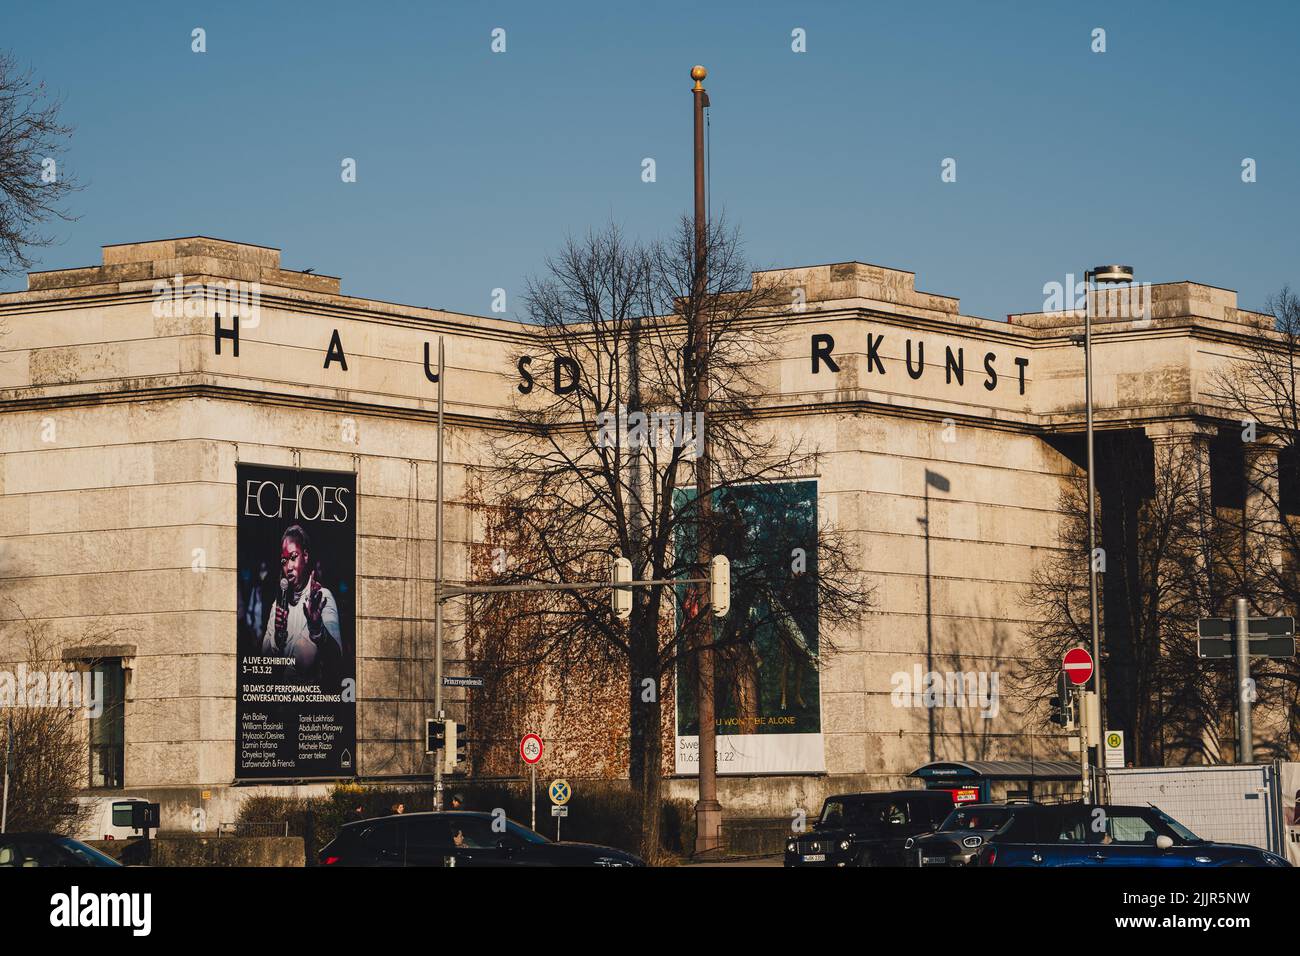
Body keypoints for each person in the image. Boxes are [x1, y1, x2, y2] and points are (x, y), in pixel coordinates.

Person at [260, 525, 342, 686]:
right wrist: (277, 638)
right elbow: (263, 665)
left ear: (305, 556)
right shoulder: (278, 606)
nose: (288, 567)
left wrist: (318, 631)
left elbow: (337, 659)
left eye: (293, 557)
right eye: (284, 561)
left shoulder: (322, 597)